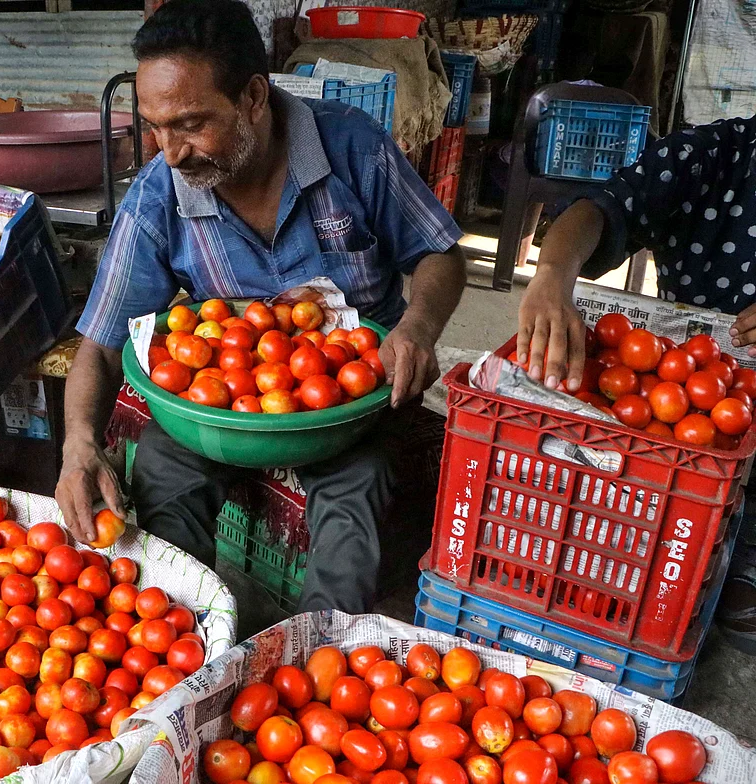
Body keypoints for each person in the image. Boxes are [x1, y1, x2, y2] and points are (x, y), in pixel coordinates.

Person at [53, 0, 466, 614]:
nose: (170, 151)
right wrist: (78, 443)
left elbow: (440, 254)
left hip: (343, 411)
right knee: (164, 470)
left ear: (252, 96)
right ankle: (179, 646)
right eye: (156, 126)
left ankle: (316, 665)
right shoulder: (158, 194)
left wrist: (417, 326)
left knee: (360, 493)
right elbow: (103, 340)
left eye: (191, 123)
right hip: (222, 412)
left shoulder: (351, 147)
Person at [515, 113, 756, 651]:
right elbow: (604, 207)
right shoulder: (722, 153)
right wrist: (552, 272)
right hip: (687, 398)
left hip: (712, 411)